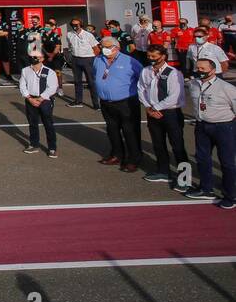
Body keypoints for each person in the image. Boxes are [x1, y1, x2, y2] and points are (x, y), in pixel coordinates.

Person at [184, 58, 236, 209]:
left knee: (227, 162)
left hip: (224, 127)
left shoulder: (226, 88)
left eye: (203, 68)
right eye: (197, 67)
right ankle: (206, 188)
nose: (199, 70)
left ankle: (231, 195)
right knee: (202, 158)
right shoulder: (193, 84)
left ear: (213, 70)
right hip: (201, 126)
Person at [137, 44, 187, 188]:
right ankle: (163, 171)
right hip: (152, 112)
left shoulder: (173, 73)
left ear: (163, 56)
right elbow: (141, 89)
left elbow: (174, 96)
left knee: (177, 146)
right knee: (158, 144)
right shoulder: (145, 71)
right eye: (149, 56)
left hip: (171, 113)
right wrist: (148, 107)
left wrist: (155, 108)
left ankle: (184, 178)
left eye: (154, 56)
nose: (151, 59)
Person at [92, 35, 144, 172]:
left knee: (130, 131)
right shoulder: (98, 60)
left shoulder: (130, 61)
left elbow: (144, 77)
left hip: (126, 102)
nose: (105, 50)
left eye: (108, 47)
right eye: (102, 47)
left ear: (117, 47)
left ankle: (134, 158)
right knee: (112, 130)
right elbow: (95, 75)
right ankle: (117, 154)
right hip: (106, 102)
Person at [20, 50, 60, 157]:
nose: (33, 58)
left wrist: (40, 98)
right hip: (30, 100)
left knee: (48, 124)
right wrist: (29, 98)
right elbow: (22, 86)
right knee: (32, 124)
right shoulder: (25, 70)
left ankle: (52, 148)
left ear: (42, 58)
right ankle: (34, 144)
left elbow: (52, 87)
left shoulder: (49, 72)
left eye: (36, 56)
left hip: (45, 100)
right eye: (32, 56)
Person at [64, 18, 100, 109]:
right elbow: (70, 47)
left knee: (91, 82)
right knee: (77, 81)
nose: (75, 26)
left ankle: (96, 104)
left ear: (81, 25)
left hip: (88, 59)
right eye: (73, 25)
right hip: (76, 59)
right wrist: (70, 58)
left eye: (77, 25)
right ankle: (78, 101)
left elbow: (96, 49)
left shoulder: (88, 35)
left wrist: (92, 60)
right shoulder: (69, 35)